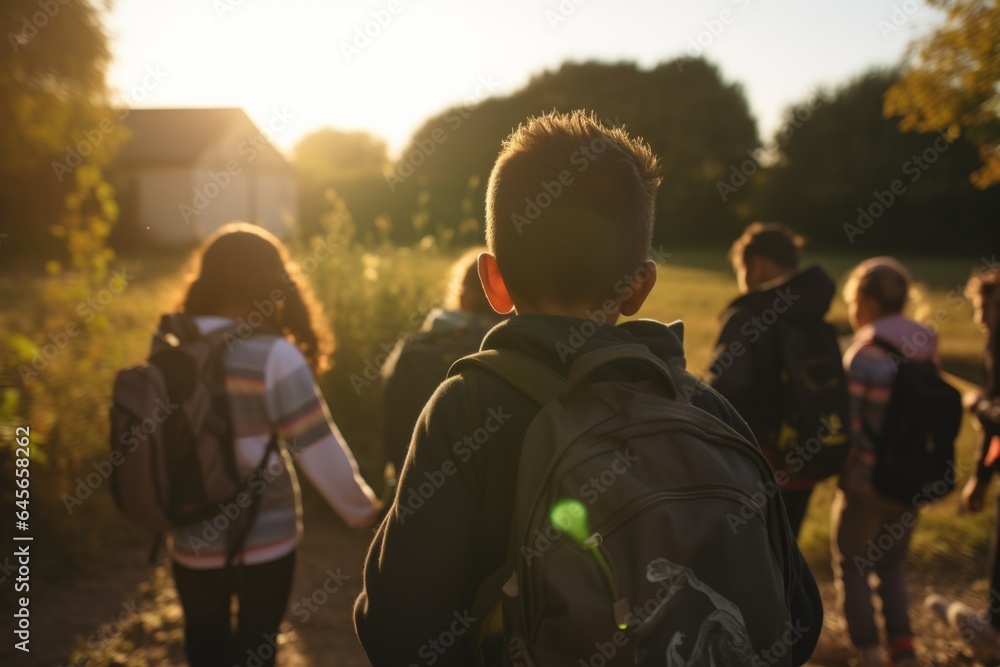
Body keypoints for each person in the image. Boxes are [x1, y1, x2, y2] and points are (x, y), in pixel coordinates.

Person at [353, 111, 822, 666]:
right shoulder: (704, 408)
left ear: (493, 281)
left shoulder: (468, 405)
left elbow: (397, 625)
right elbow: (802, 616)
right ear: (638, 287)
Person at [169, 222, 381, 667]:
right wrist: (363, 511)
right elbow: (317, 446)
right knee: (258, 645)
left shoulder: (172, 347)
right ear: (270, 281)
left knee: (202, 643)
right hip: (264, 536)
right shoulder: (273, 355)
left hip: (190, 529)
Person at [708, 222, 844, 537]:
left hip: (759, 464)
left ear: (754, 264)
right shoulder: (813, 312)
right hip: (809, 459)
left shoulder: (747, 316)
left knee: (749, 556)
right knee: (786, 548)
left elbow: (726, 387)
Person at [832, 257, 931, 667]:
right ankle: (903, 647)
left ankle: (868, 649)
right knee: (891, 564)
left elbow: (850, 425)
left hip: (867, 481)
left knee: (852, 561)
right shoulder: (927, 346)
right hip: (912, 480)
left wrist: (840, 472)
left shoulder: (865, 352)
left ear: (866, 303)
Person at [380, 247, 506, 478]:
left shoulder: (413, 347)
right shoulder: (512, 348)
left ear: (461, 294)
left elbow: (390, 425)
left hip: (414, 483)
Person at [961, 265, 1000, 628]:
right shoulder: (993, 348)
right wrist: (980, 478)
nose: (978, 318)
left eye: (983, 307)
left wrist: (979, 406)